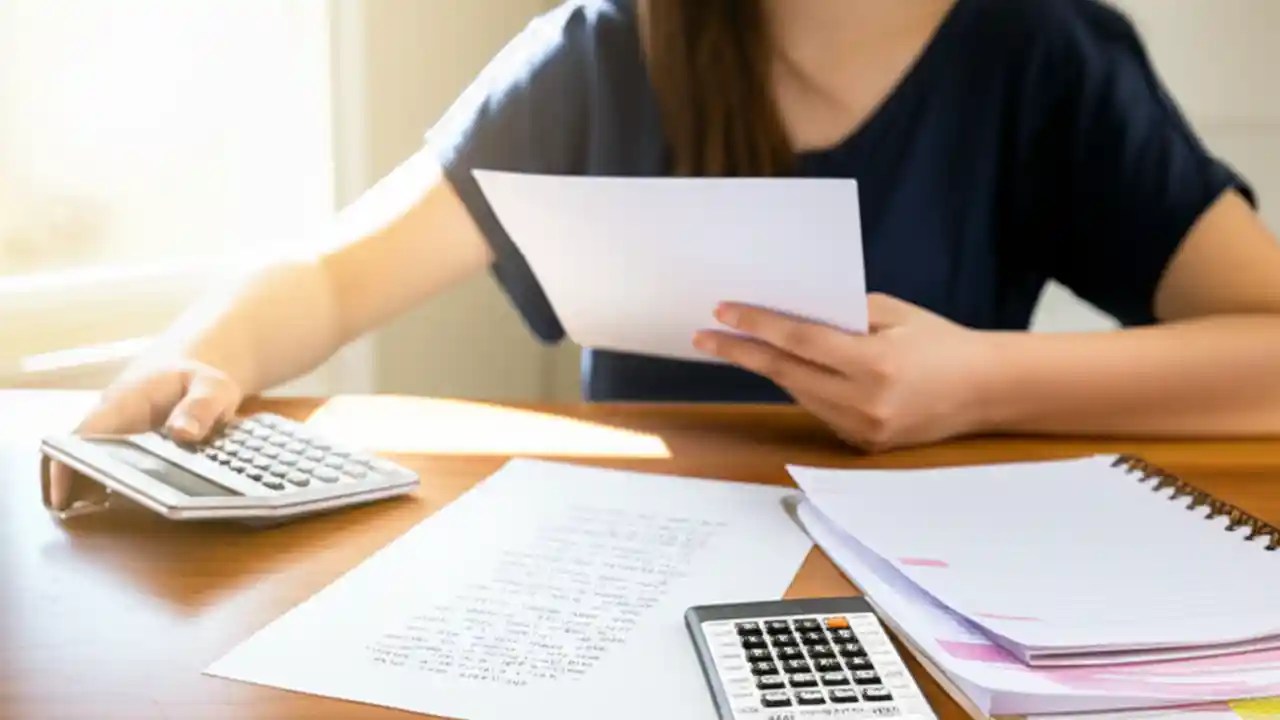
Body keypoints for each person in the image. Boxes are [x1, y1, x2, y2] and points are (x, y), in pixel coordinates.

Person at [49, 0, 1280, 510]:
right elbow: (330, 275)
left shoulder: (1040, 53)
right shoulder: (604, 47)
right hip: (630, 576)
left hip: (937, 587)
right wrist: (191, 357)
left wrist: (976, 384)